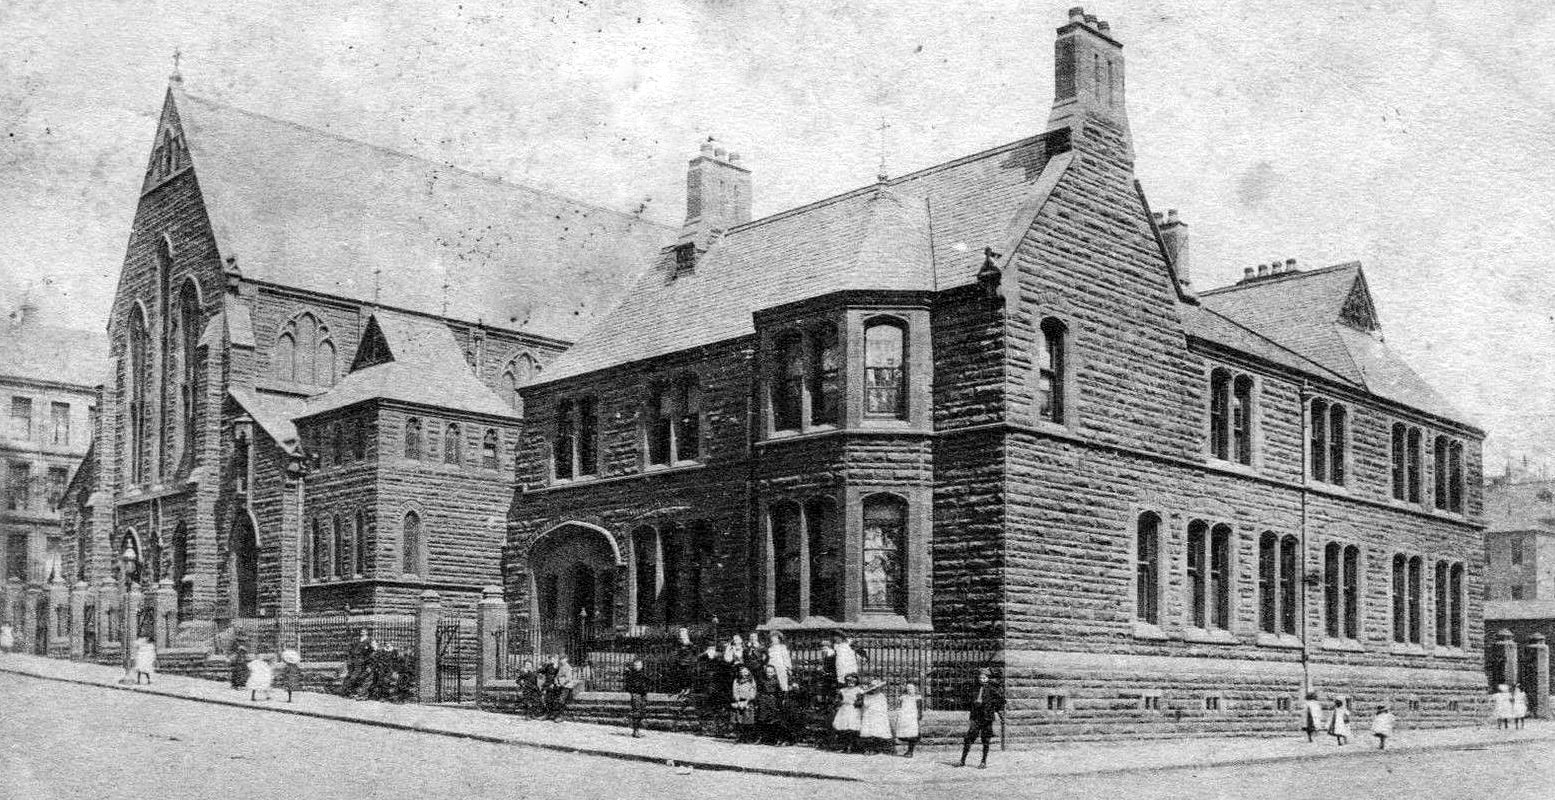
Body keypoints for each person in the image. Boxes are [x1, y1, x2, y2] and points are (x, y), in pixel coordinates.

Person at [958, 668, 1005, 769]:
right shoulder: (974, 688)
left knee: (986, 740)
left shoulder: (992, 689)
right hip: (976, 717)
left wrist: (997, 711)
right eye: (980, 677)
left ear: (988, 678)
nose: (982, 679)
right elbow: (967, 700)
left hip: (987, 717)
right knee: (969, 738)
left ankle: (983, 761)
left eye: (984, 678)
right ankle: (962, 760)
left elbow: (1000, 701)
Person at [858, 679, 893, 754]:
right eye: (873, 689)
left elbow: (884, 707)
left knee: (876, 731)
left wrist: (881, 715)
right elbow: (865, 705)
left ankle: (875, 749)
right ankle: (868, 748)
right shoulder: (867, 696)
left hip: (878, 716)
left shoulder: (881, 696)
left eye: (876, 689)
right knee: (867, 732)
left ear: (879, 688)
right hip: (868, 715)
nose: (874, 690)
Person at [833, 674, 864, 752]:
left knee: (852, 728)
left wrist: (857, 703)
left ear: (856, 682)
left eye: (853, 682)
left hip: (853, 710)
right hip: (844, 709)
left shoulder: (858, 690)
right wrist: (840, 702)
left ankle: (852, 746)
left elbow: (861, 701)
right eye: (848, 682)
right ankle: (844, 746)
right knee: (843, 728)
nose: (850, 683)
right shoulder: (843, 690)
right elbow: (838, 700)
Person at [730, 665, 758, 742]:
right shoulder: (736, 680)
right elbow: (735, 691)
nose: (744, 673)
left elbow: (753, 691)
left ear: (749, 671)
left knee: (748, 720)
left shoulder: (751, 680)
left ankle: (747, 737)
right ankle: (739, 737)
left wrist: (747, 701)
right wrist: (738, 701)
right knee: (739, 720)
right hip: (739, 701)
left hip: (748, 701)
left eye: (746, 671)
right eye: (742, 672)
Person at [624, 658, 651, 738]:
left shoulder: (644, 674)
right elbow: (628, 685)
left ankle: (637, 729)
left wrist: (646, 689)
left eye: (639, 665)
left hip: (643, 694)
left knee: (642, 711)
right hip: (636, 694)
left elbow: (648, 682)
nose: (637, 667)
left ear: (642, 666)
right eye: (636, 665)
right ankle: (635, 730)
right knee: (636, 712)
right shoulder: (631, 674)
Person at [896, 682, 924, 757]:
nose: (910, 690)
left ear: (915, 689)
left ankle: (910, 751)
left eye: (911, 689)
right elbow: (899, 707)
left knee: (913, 734)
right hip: (905, 718)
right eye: (908, 689)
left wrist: (919, 715)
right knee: (905, 734)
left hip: (913, 718)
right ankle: (908, 751)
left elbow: (919, 708)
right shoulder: (903, 697)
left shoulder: (917, 697)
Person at [342, 629, 370, 697]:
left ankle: (354, 691)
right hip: (354, 660)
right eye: (361, 632)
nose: (362, 633)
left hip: (362, 661)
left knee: (357, 676)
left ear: (367, 633)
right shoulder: (357, 640)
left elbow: (370, 652)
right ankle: (348, 691)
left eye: (364, 632)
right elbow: (351, 650)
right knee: (351, 675)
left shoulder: (369, 641)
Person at [548, 656, 576, 722]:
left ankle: (560, 716)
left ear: (566, 659)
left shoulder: (568, 667)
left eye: (563, 659)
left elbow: (568, 678)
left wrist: (561, 684)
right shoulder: (561, 667)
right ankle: (554, 714)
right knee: (555, 698)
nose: (561, 661)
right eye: (561, 659)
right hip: (560, 686)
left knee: (561, 700)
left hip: (566, 686)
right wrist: (557, 682)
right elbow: (556, 676)